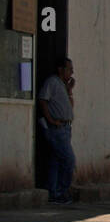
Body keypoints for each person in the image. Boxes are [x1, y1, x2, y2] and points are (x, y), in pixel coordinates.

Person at [37, 58, 76, 204]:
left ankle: (53, 191)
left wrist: (69, 90)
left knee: (56, 160)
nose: (71, 72)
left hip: (66, 127)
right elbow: (43, 100)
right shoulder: (52, 82)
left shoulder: (63, 86)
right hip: (56, 128)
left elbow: (70, 105)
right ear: (61, 69)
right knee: (69, 160)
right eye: (69, 69)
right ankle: (60, 191)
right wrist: (51, 120)